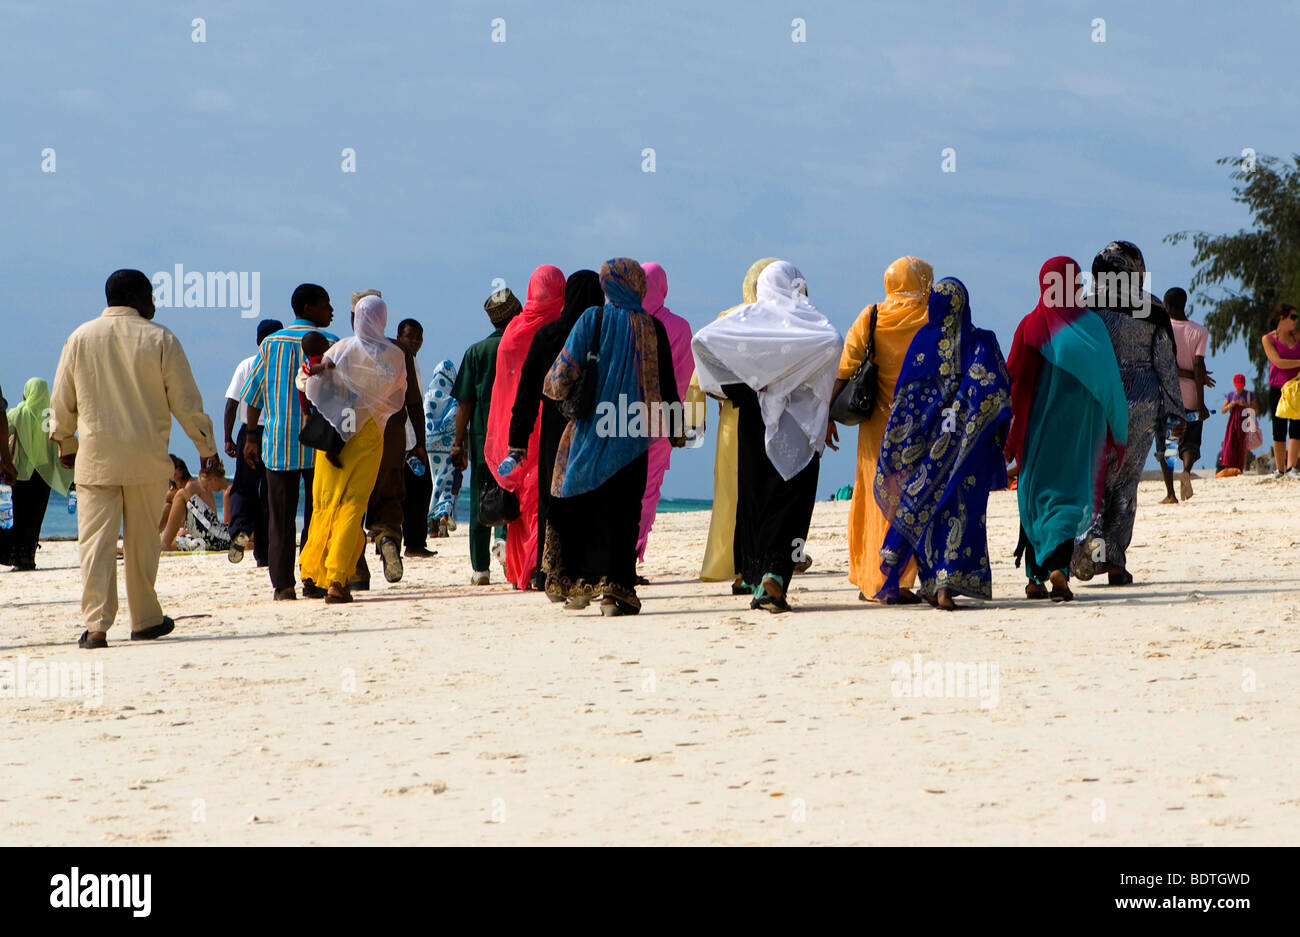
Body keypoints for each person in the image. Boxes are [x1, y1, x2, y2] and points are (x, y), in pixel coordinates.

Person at [49, 269, 218, 648]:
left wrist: (66, 444)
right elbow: (187, 404)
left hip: (96, 461)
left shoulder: (79, 337)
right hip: (146, 461)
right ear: (139, 298)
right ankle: (145, 620)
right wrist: (207, 451)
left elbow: (61, 403)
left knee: (95, 544)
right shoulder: (161, 339)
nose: (154, 303)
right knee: (143, 543)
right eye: (151, 295)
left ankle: (96, 627)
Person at [691, 261, 841, 612]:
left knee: (756, 500)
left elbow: (703, 341)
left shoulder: (747, 323)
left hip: (753, 422)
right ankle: (775, 575)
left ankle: (757, 576)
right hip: (800, 427)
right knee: (792, 503)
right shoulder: (810, 323)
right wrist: (800, 385)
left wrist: (750, 385)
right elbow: (834, 343)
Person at [540, 258, 684, 616]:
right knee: (624, 512)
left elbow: (561, 375)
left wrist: (557, 394)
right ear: (637, 285)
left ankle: (579, 583)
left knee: (585, 503)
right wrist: (678, 429)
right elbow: (667, 386)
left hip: (591, 430)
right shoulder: (652, 327)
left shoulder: (592, 319)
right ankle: (615, 591)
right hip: (634, 435)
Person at [872, 277, 1012, 609]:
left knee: (930, 518)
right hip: (968, 453)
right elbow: (999, 395)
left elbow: (905, 405)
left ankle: (937, 586)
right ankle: (948, 585)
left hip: (926, 458)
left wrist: (902, 450)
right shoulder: (982, 344)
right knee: (964, 515)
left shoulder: (922, 345)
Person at [1005, 257, 1128, 603]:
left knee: (1035, 496)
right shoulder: (1093, 327)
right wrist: (1115, 433)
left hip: (1039, 429)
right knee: (1069, 500)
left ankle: (1035, 577)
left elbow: (1014, 381)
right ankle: (1058, 565)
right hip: (1080, 435)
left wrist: (1010, 439)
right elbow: (1110, 386)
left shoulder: (1032, 325)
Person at [1073, 241, 1184, 586]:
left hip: (1097, 397)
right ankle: (1116, 563)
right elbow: (1165, 363)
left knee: (1092, 476)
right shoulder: (1151, 308)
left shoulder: (1085, 306)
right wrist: (1176, 411)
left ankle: (1093, 547)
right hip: (1142, 401)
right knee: (1125, 482)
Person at [830, 255, 935, 604]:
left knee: (875, 496)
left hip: (877, 424)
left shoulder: (871, 316)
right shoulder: (930, 315)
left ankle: (873, 579)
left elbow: (845, 369)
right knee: (912, 497)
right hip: (920, 423)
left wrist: (827, 416)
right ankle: (899, 581)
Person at [298, 295, 408, 603]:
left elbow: (307, 381)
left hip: (337, 430)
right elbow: (399, 394)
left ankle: (312, 572)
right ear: (382, 318)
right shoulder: (394, 356)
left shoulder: (342, 348)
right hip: (369, 433)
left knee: (325, 502)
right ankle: (337, 580)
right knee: (353, 506)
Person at [240, 284, 339, 600]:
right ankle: (313, 578)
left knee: (279, 519)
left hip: (279, 444)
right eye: (326, 305)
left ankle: (283, 585)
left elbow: (253, 395)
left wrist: (251, 436)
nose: (331, 310)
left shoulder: (271, 344)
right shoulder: (333, 344)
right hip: (323, 445)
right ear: (309, 308)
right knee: (320, 513)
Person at [508, 269, 605, 591]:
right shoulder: (606, 334)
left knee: (553, 495)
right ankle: (590, 569)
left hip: (556, 428)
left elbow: (527, 391)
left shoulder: (549, 334)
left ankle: (548, 570)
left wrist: (517, 440)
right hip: (599, 426)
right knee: (594, 496)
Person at [686, 257, 779, 589]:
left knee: (733, 493)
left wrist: (693, 422)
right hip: (780, 416)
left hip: (735, 419)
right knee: (773, 490)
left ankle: (733, 564)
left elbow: (700, 376)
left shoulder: (729, 318)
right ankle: (768, 561)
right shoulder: (784, 319)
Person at [484, 265, 566, 590]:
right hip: (553, 426)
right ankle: (540, 564)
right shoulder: (565, 327)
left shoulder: (514, 331)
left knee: (525, 495)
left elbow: (504, 389)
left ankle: (524, 569)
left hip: (519, 426)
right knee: (545, 495)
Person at [450, 288, 520, 585]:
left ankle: (480, 569)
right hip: (517, 435)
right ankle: (506, 545)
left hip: (482, 436)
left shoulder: (476, 352)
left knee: (482, 496)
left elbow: (464, 402)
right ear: (517, 313)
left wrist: (458, 443)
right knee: (514, 494)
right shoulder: (524, 346)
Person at [635, 262, 696, 569]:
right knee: (648, 489)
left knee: (621, 487)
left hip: (620, 417)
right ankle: (634, 552)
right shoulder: (679, 327)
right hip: (662, 419)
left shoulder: (624, 321)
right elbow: (684, 376)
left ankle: (616, 556)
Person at [223, 318, 282, 566]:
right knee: (271, 493)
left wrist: (227, 437)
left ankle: (240, 529)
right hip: (275, 433)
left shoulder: (247, 365)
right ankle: (264, 554)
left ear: (258, 340)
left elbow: (232, 403)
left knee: (244, 487)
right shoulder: (283, 365)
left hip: (249, 432)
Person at [0, 377, 74, 570]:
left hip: (21, 473)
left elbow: (3, 429)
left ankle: (14, 555)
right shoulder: (51, 416)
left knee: (18, 514)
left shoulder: (19, 413)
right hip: (44, 475)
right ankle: (28, 556)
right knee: (35, 516)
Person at [1157, 287, 1214, 502]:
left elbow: (1166, 365)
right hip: (1191, 396)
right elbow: (1199, 366)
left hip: (1167, 397)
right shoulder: (1200, 331)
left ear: (1168, 306)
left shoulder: (1162, 329)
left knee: (1166, 445)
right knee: (1190, 441)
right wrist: (1201, 404)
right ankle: (1187, 470)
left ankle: (1171, 494)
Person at [397, 318, 436, 557]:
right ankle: (412, 544)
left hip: (409, 440)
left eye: (419, 336)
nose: (415, 341)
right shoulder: (402, 360)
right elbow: (408, 406)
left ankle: (411, 543)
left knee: (413, 491)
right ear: (400, 336)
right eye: (410, 336)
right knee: (417, 490)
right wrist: (416, 444)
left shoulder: (412, 361)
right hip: (406, 440)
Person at [1261, 302, 1300, 477]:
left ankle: (1292, 467)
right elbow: (1278, 362)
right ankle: (1280, 469)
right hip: (1278, 387)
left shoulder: (1298, 337)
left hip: (1297, 387)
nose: (1295, 320)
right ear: (1281, 318)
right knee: (1279, 428)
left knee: (1297, 427)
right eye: (1292, 316)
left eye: (1296, 317)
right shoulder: (1268, 339)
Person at [423, 359, 460, 539]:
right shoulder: (453, 397)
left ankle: (433, 526)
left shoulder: (429, 395)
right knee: (446, 481)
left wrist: (433, 434)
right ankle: (444, 515)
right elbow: (456, 418)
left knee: (434, 481)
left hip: (431, 446)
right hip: (449, 445)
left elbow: (426, 419)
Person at [160, 463, 232, 552]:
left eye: (207, 487)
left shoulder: (229, 491)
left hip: (221, 536)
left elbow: (232, 525)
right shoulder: (230, 489)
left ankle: (164, 544)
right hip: (221, 536)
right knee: (175, 542)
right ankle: (163, 543)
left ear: (213, 479)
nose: (209, 490)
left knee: (181, 494)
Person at [1218, 374, 1259, 474]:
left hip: (1245, 422)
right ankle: (1229, 467)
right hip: (1233, 423)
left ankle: (1240, 468)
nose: (1239, 387)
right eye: (1237, 385)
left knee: (1242, 445)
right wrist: (1230, 405)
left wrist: (1245, 405)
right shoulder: (1230, 395)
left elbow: (1256, 410)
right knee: (1230, 443)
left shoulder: (1249, 395)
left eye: (1240, 385)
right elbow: (1222, 410)